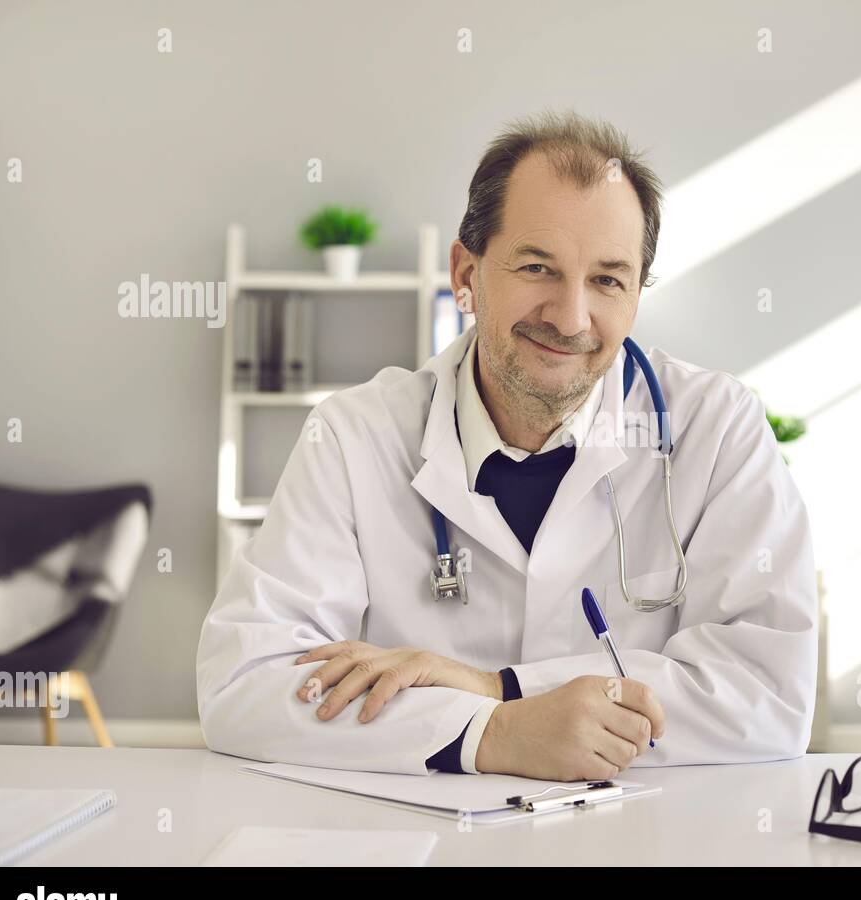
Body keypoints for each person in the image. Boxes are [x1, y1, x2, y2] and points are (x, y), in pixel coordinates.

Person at [197, 110, 818, 782]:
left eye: (608, 279)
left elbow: (767, 699)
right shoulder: (355, 436)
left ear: (637, 294)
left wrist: (499, 690)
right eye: (537, 267)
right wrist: (491, 736)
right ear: (467, 272)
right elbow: (246, 686)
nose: (570, 317)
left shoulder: (718, 430)